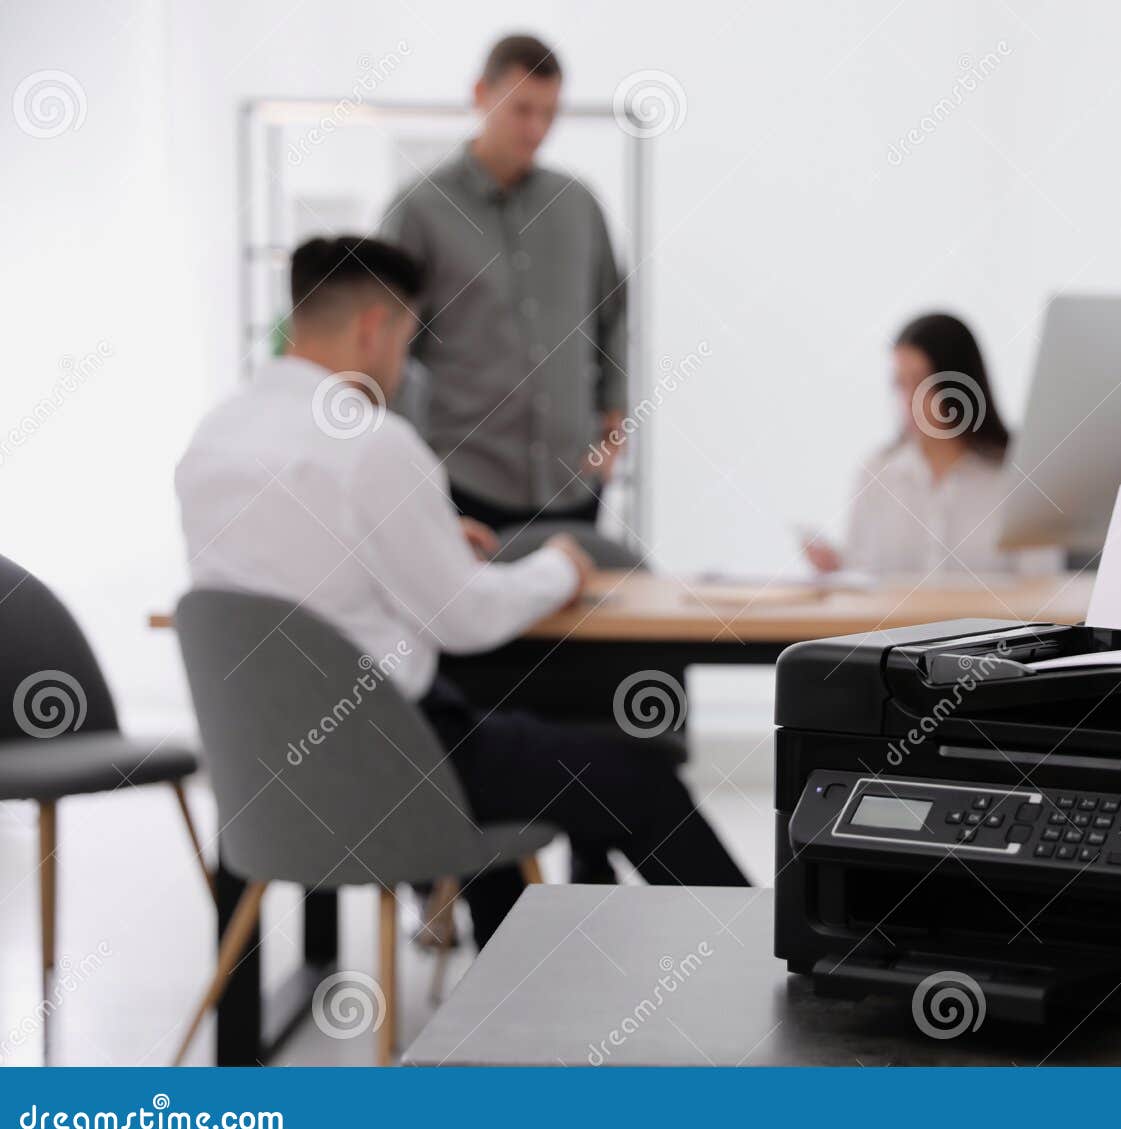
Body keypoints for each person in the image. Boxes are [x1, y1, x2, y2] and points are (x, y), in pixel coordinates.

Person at [175, 236, 746, 946]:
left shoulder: (213, 440)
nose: (405, 362)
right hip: (397, 765)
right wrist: (564, 564)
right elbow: (468, 619)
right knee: (640, 778)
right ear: (374, 326)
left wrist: (430, 533)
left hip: (272, 778)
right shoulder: (374, 442)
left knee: (499, 729)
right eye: (408, 336)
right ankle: (764, 976)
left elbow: (307, 577)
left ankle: (507, 995)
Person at [382, 32, 626, 532]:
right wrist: (408, 458)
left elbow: (613, 316)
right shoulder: (419, 210)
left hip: (572, 481)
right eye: (522, 109)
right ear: (480, 95)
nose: (537, 128)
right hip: (463, 481)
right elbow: (387, 341)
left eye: (550, 113)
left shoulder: (579, 205)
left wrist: (616, 417)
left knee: (575, 612)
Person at [805, 313, 1041, 577]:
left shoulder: (1017, 476)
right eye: (900, 384)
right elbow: (859, 576)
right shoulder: (877, 473)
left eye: (921, 383)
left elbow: (1042, 587)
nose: (909, 400)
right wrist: (835, 569)